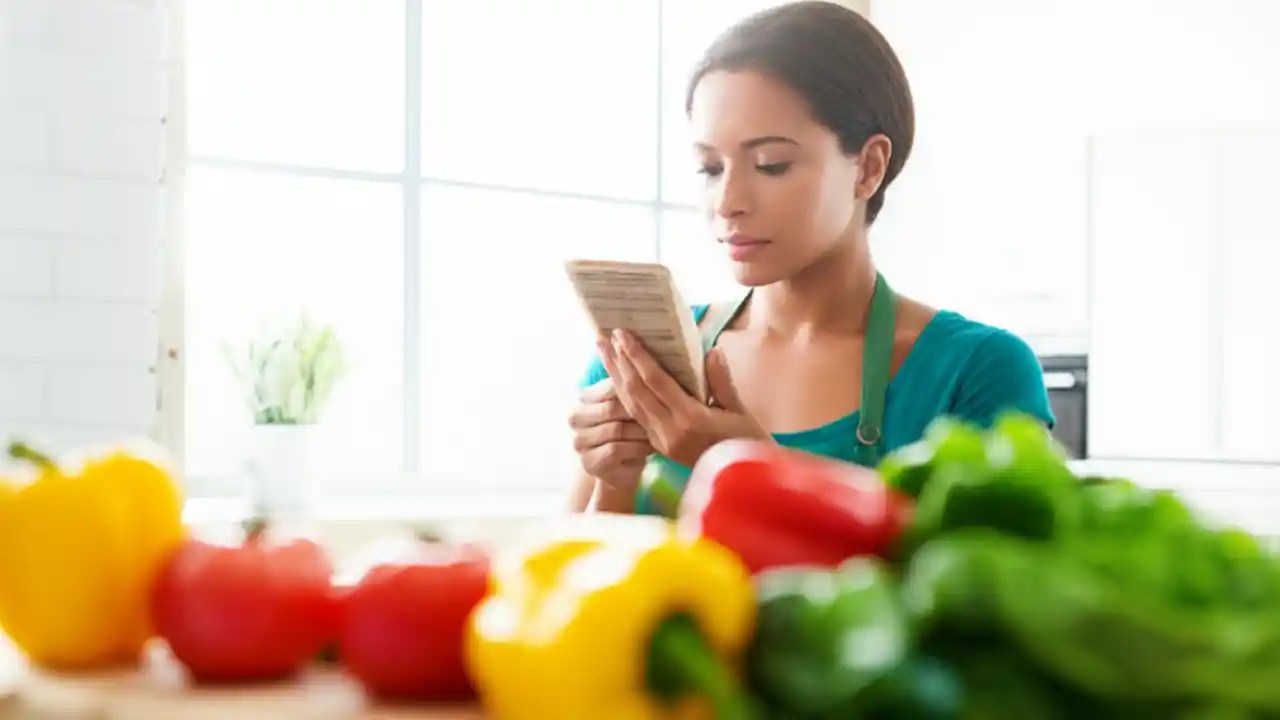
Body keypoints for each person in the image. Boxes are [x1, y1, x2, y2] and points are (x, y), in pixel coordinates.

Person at [567, 0, 1054, 514]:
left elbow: (987, 568)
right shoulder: (640, 365)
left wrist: (758, 471)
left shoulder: (977, 372)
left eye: (770, 164)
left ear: (868, 167)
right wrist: (614, 482)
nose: (728, 202)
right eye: (710, 168)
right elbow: (569, 565)